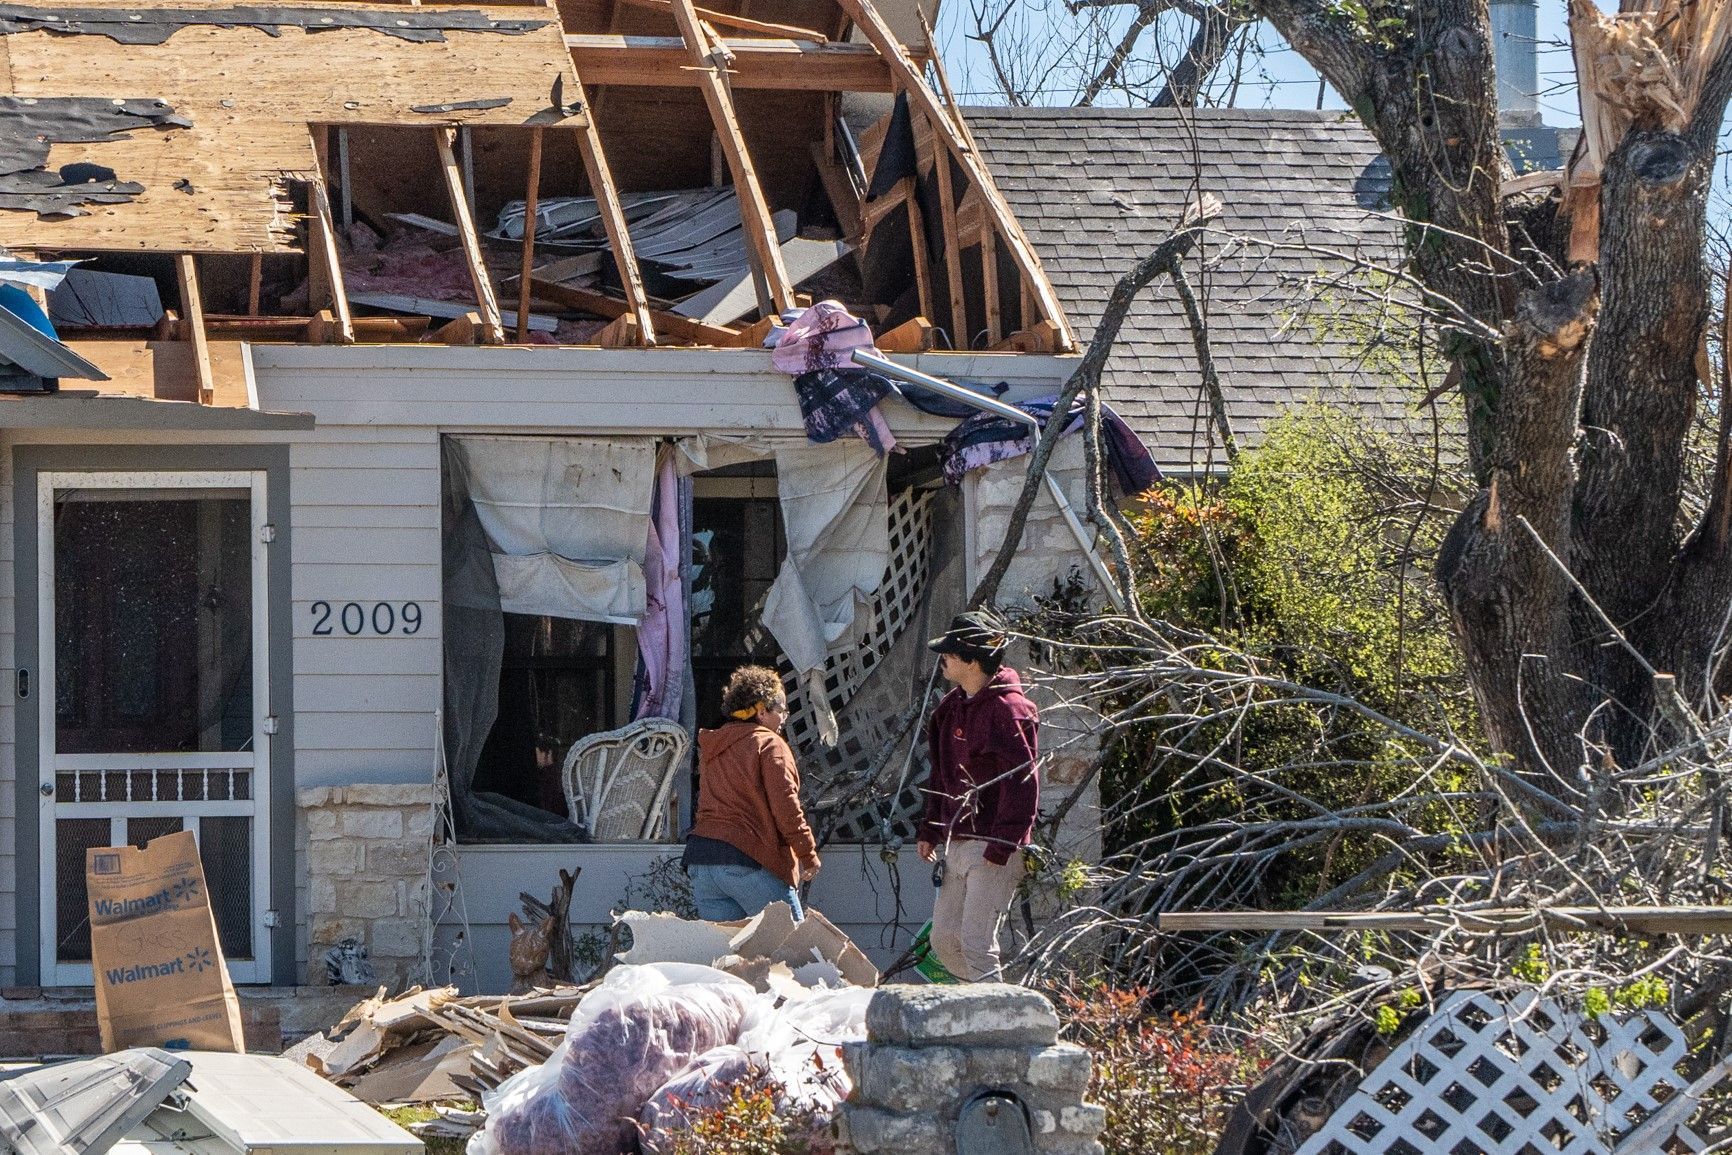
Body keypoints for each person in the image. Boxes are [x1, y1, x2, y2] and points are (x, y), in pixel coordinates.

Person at [917, 611, 1041, 981]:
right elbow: (942, 774)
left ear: (971, 660)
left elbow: (1023, 784)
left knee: (976, 942)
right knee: (942, 940)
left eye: (951, 653)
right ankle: (980, 1006)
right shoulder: (949, 710)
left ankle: (1002, 1028)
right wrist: (930, 829)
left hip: (993, 845)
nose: (944, 659)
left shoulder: (1011, 711)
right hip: (958, 841)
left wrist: (1002, 846)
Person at [684, 665, 821, 921]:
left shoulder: (715, 746)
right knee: (793, 951)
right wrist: (807, 853)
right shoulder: (770, 744)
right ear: (761, 711)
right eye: (781, 710)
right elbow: (786, 807)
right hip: (747, 859)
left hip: (703, 862)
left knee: (726, 957)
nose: (784, 717)